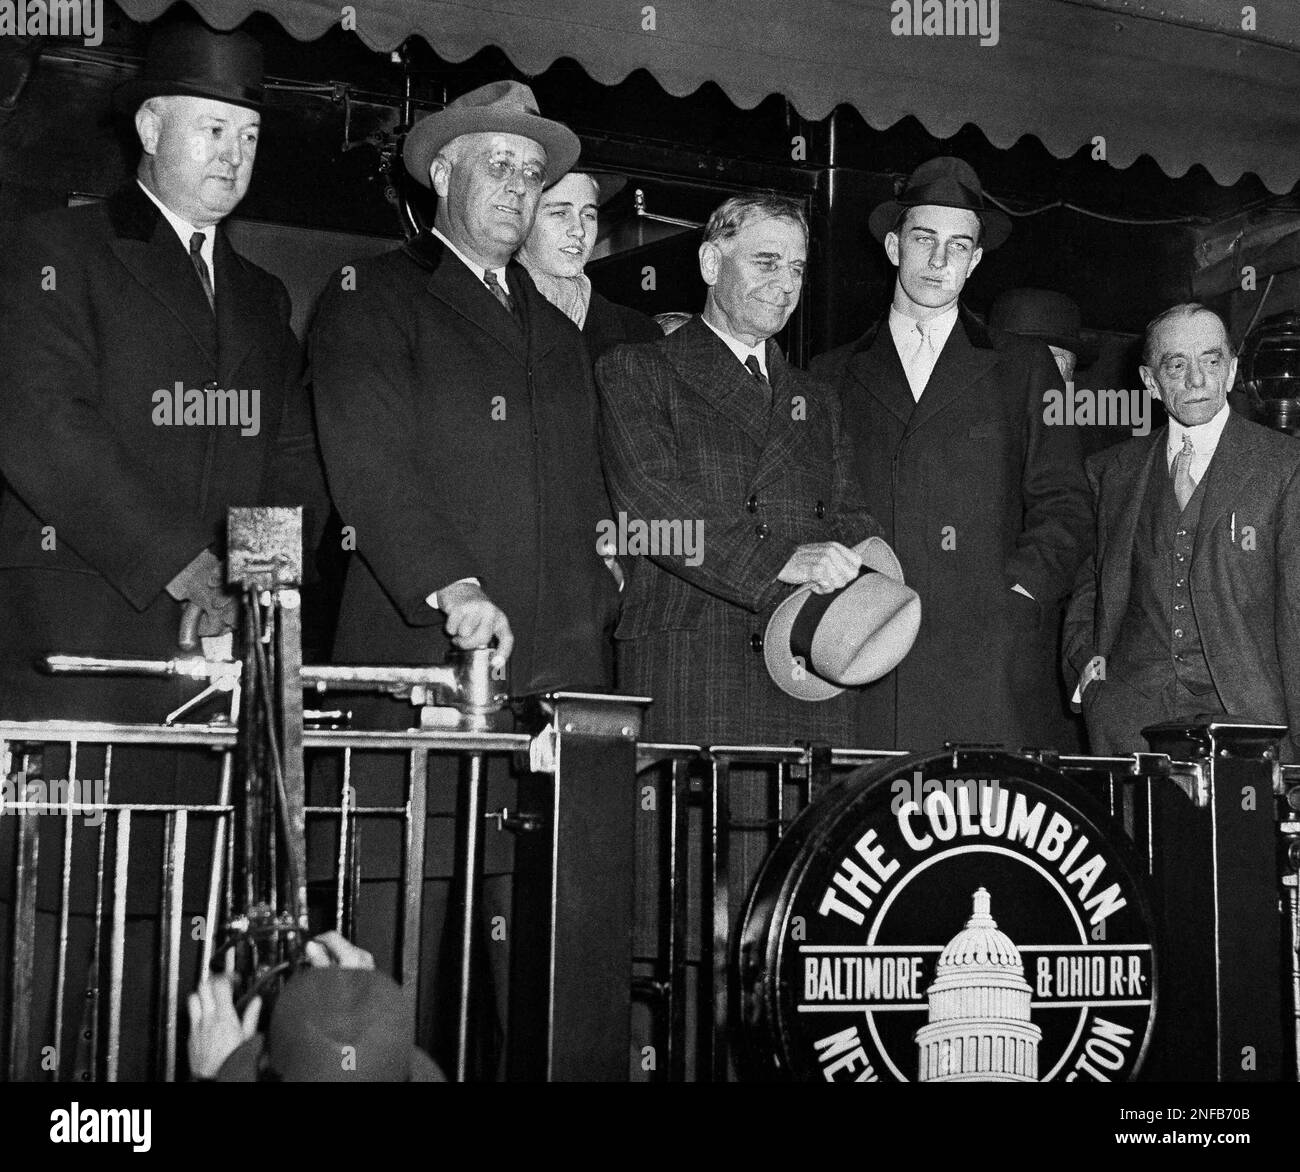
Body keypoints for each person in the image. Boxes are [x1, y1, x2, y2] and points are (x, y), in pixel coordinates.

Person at [0, 17, 322, 1080]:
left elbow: (289, 466)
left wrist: (259, 600)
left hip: (212, 678)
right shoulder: (55, 248)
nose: (232, 153)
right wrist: (191, 571)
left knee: (177, 943)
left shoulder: (267, 298)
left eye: (247, 134)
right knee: (46, 947)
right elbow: (42, 425)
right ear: (147, 125)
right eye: (211, 128)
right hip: (80, 653)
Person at [309, 80, 621, 1073]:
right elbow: (370, 461)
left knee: (525, 966)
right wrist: (450, 583)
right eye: (498, 164)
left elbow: (582, 500)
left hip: (541, 700)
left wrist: (603, 585)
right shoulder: (372, 296)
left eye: (534, 174)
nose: (517, 187)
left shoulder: (559, 331)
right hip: (421, 676)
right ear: (441, 171)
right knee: (398, 948)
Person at [810, 156, 1092, 751]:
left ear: (976, 260)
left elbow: (1065, 502)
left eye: (958, 246)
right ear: (893, 247)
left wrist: (1018, 593)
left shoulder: (1025, 366)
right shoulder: (830, 374)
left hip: (987, 660)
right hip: (869, 651)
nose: (940, 261)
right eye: (924, 239)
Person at [595, 192, 882, 746]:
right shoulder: (639, 369)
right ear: (710, 264)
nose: (786, 284)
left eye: (797, 268)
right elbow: (654, 513)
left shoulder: (816, 398)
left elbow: (850, 515)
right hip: (699, 661)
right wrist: (783, 561)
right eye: (767, 262)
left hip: (810, 657)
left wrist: (873, 581)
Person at [1064, 303, 1300, 760]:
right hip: (1128, 722)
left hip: (1250, 719)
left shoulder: (1285, 468)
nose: (1196, 380)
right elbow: (1090, 585)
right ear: (1150, 382)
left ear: (1231, 372)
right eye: (1177, 364)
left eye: (1211, 361)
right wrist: (1085, 671)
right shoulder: (1113, 471)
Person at [517, 170, 660, 360]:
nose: (579, 230)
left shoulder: (640, 335)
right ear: (522, 219)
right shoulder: (486, 311)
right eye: (560, 213)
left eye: (588, 215)